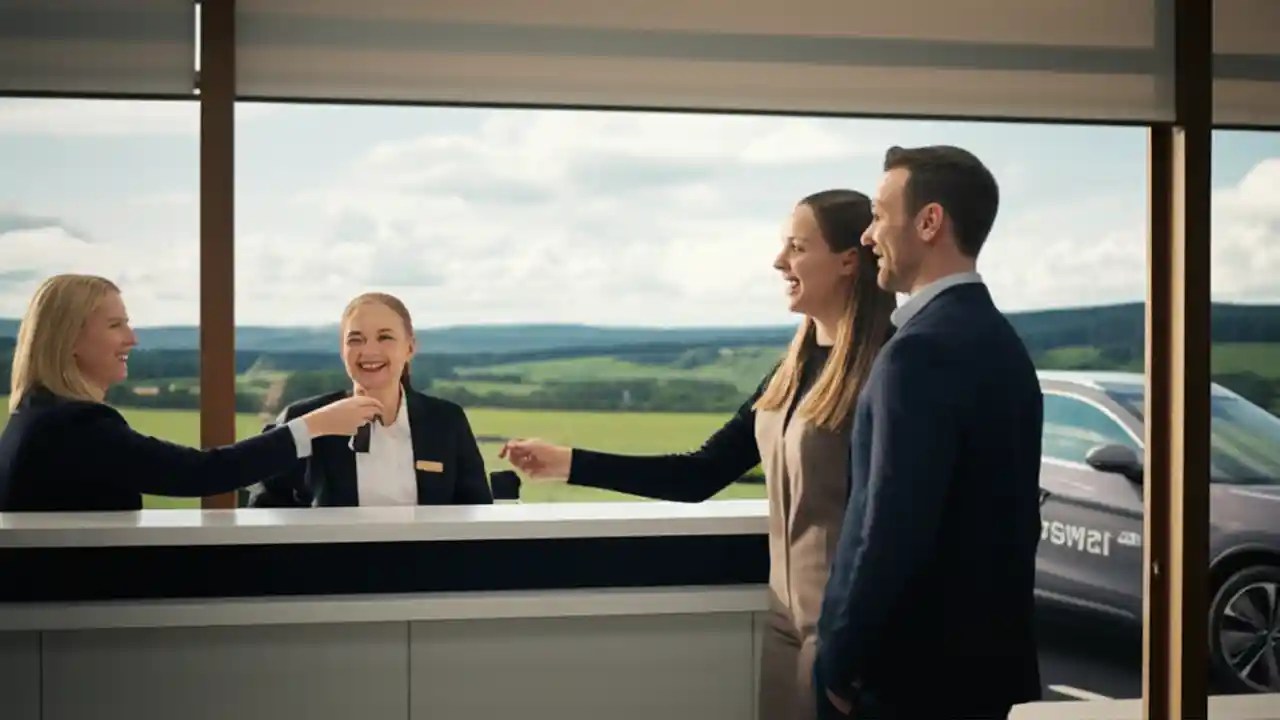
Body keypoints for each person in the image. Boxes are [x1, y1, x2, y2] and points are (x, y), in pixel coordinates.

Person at [500, 189, 896, 720]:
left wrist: (855, 644)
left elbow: (894, 524)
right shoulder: (791, 369)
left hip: (850, 634)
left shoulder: (890, 367)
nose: (780, 261)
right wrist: (568, 463)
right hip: (784, 624)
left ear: (849, 260)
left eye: (797, 247)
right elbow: (700, 473)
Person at [813, 146, 1044, 719]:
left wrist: (841, 664)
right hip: (978, 675)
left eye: (876, 215)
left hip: (908, 682)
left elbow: (888, 531)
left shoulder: (917, 354)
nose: (868, 236)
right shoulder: (1001, 342)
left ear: (929, 221)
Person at [0, 274, 382, 512]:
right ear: (70, 341)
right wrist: (311, 427)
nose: (131, 339)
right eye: (116, 325)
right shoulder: (75, 427)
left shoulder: (35, 415)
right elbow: (199, 473)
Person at [245, 292, 492, 507]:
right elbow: (265, 512)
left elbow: (476, 511)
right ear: (342, 350)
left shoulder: (447, 421)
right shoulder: (304, 420)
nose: (370, 351)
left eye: (385, 337)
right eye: (355, 340)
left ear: (410, 347)